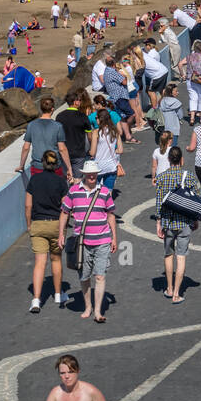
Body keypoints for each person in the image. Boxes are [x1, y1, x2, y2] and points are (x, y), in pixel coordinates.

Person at [58, 160, 117, 322]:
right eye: (89, 174)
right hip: (82, 243)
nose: (92, 176)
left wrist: (114, 237)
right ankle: (88, 306)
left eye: (94, 174)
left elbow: (111, 215)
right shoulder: (73, 191)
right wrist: (61, 234)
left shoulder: (104, 192)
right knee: (84, 277)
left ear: (97, 174)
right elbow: (64, 212)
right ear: (84, 174)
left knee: (100, 276)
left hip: (102, 240)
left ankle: (97, 311)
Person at [154, 145, 201, 304]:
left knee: (168, 255)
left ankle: (169, 288)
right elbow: (195, 200)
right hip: (184, 222)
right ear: (181, 159)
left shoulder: (161, 177)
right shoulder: (189, 177)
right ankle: (176, 293)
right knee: (181, 257)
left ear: (168, 159)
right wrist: (195, 219)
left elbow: (159, 202)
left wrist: (159, 222)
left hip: (168, 222)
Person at [26, 150, 71, 313]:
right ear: (57, 164)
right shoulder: (61, 182)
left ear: (42, 163)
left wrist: (29, 225)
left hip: (38, 224)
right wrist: (64, 228)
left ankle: (36, 300)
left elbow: (28, 205)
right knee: (56, 259)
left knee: (40, 263)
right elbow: (65, 208)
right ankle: (58, 294)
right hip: (55, 225)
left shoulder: (34, 180)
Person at [18, 96, 71, 178]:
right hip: (54, 166)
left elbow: (26, 148)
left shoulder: (31, 125)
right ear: (52, 109)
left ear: (41, 109)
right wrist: (69, 168)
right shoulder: (58, 126)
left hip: (37, 167)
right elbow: (62, 149)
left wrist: (21, 166)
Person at [92, 109, 123, 192]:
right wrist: (113, 151)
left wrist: (90, 152)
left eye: (96, 118)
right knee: (108, 192)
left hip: (99, 166)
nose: (96, 119)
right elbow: (120, 150)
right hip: (112, 166)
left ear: (100, 119)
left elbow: (92, 152)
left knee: (96, 192)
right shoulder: (115, 131)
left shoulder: (96, 132)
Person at [184, 39, 201, 124]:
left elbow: (180, 64)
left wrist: (182, 74)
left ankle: (192, 118)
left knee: (192, 98)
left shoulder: (189, 56)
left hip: (191, 79)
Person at [159, 81, 184, 145]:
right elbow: (180, 115)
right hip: (174, 126)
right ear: (171, 92)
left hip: (164, 126)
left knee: (164, 145)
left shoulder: (162, 101)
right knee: (173, 144)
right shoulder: (176, 102)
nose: (177, 92)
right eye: (176, 91)